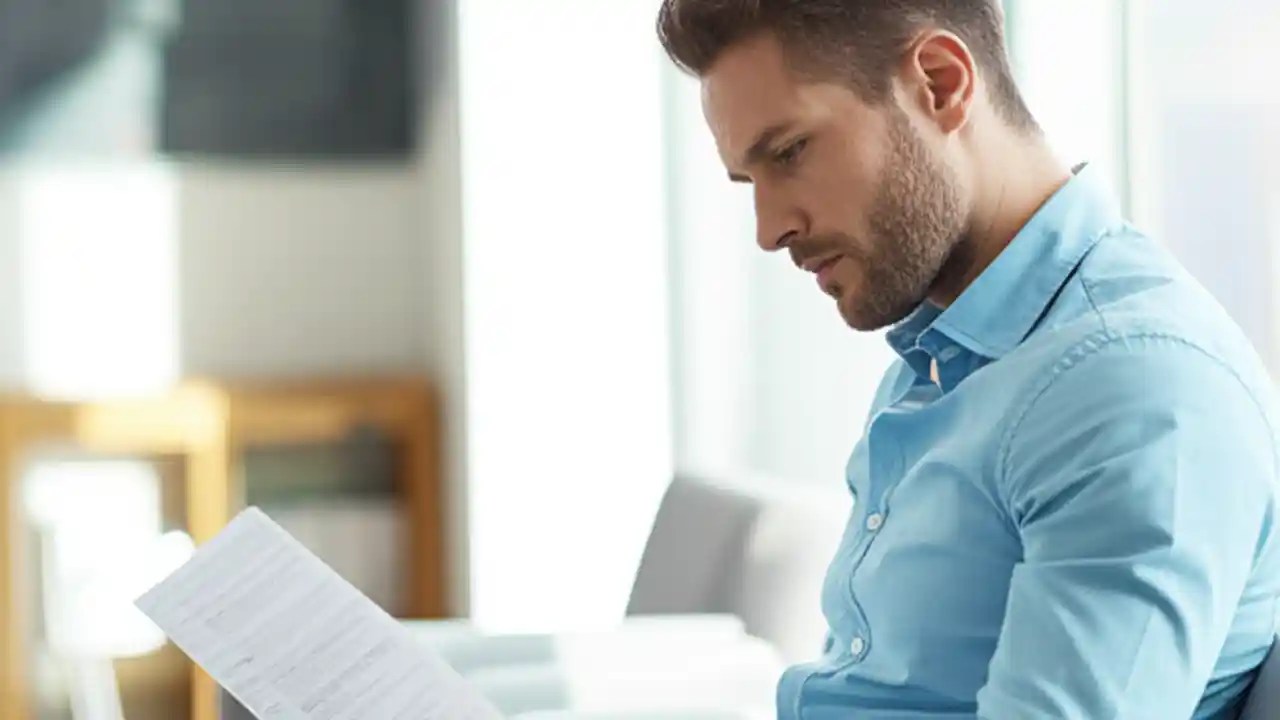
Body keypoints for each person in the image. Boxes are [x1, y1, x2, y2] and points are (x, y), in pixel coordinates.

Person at [655, 1, 1280, 718]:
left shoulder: (1128, 384)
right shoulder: (945, 357)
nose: (770, 229)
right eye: (749, 182)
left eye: (791, 151)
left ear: (941, 83)